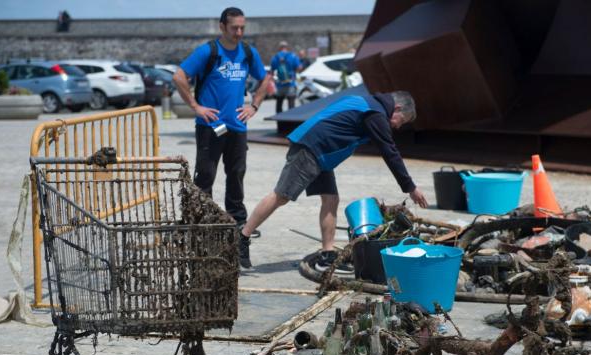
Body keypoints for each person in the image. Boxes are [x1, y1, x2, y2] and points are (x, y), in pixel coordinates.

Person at [240, 91, 429, 271]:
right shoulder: (375, 113)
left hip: (322, 153)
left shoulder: (366, 102)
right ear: (396, 108)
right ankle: (242, 237)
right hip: (311, 149)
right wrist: (410, 187)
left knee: (331, 199)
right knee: (281, 196)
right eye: (400, 121)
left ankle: (327, 254)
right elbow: (390, 152)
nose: (397, 126)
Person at [173, 7, 271, 268]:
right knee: (205, 176)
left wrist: (254, 106)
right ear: (222, 27)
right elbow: (179, 76)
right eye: (234, 28)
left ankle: (238, 228)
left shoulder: (249, 52)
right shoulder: (209, 51)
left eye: (242, 28)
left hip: (237, 127)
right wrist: (196, 107)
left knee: (237, 174)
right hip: (210, 126)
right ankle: (200, 227)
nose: (239, 33)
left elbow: (264, 79)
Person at [271, 41, 302, 114]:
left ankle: (279, 123)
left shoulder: (275, 57)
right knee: (291, 105)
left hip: (279, 84)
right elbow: (299, 68)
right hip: (290, 83)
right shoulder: (293, 56)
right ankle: (291, 123)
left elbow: (272, 71)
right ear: (287, 47)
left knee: (279, 104)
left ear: (279, 48)